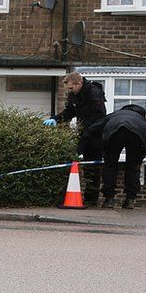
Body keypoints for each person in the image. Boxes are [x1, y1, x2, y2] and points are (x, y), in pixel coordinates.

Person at [44, 72, 107, 206]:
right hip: (83, 131)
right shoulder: (75, 95)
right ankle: (82, 197)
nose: (70, 91)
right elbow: (69, 112)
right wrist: (56, 119)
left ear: (79, 83)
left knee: (92, 169)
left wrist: (87, 133)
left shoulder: (94, 93)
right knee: (80, 164)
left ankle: (91, 200)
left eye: (71, 88)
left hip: (96, 134)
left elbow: (99, 116)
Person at [84, 104, 146, 209]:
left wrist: (97, 146)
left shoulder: (114, 115)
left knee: (110, 166)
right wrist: (141, 156)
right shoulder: (142, 121)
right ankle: (130, 200)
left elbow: (93, 129)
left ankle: (109, 199)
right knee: (133, 167)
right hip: (136, 136)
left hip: (114, 132)